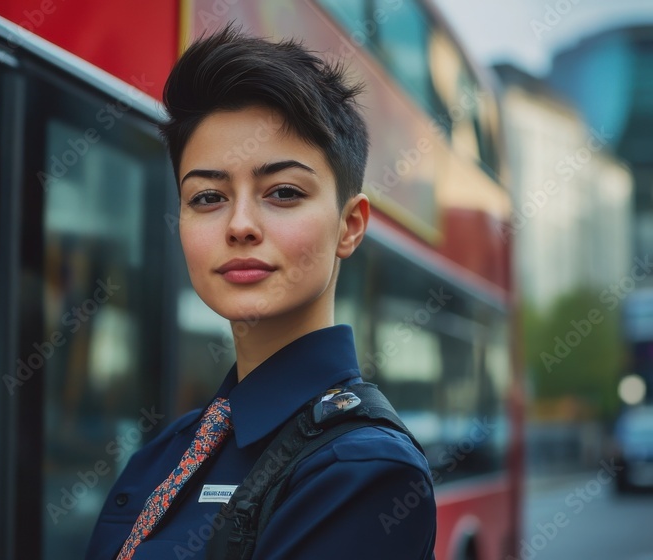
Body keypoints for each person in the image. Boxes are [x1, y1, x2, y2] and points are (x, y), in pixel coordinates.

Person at [85, 24, 436, 559]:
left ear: (350, 226)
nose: (240, 225)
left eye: (284, 192)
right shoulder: (166, 452)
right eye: (206, 197)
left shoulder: (363, 471)